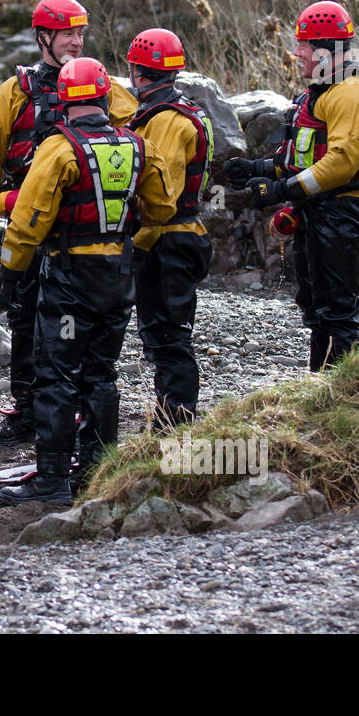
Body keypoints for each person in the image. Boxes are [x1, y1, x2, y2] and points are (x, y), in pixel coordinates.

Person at [0, 57, 176, 505]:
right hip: (117, 280)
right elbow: (164, 209)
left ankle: (54, 479)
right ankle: (96, 473)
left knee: (57, 376)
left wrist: (10, 273)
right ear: (103, 97)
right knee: (101, 373)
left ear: (62, 100)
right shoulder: (138, 145)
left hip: (70, 283)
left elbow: (27, 223)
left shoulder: (58, 149)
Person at [0, 0, 139, 446]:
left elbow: (130, 130)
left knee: (77, 326)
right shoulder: (16, 90)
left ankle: (75, 412)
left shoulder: (98, 81)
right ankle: (28, 409)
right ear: (44, 36)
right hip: (31, 220)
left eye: (80, 33)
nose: (76, 42)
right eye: (68, 34)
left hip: (79, 227)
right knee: (26, 318)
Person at [225, 1, 359, 371]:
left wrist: (279, 191)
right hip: (317, 210)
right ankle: (320, 388)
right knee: (316, 307)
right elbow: (306, 157)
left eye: (302, 45)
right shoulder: (323, 90)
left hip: (339, 212)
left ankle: (341, 396)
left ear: (324, 50)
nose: (296, 53)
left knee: (335, 310)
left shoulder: (354, 91)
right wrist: (260, 168)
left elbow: (341, 165)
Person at [125, 28, 216, 431]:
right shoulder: (186, 110)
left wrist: (129, 239)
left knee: (167, 334)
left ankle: (176, 418)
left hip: (167, 240)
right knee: (168, 330)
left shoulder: (163, 121)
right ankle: (173, 412)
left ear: (137, 72)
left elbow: (161, 195)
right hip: (184, 235)